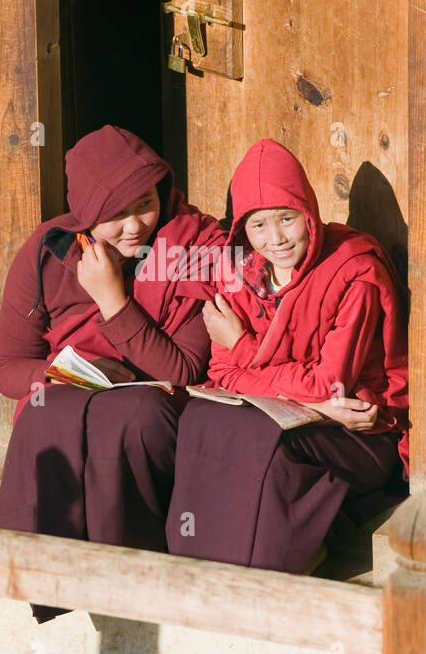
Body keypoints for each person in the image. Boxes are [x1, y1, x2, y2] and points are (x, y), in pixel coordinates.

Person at [0, 124, 226, 621]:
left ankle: (132, 579)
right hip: (76, 387)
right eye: (113, 216)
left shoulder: (193, 247)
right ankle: (54, 581)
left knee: (134, 411)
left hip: (159, 411)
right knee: (45, 409)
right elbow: (7, 366)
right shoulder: (48, 253)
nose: (135, 226)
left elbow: (183, 370)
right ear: (85, 217)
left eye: (144, 202)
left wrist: (112, 300)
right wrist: (52, 376)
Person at [165, 138, 409, 572]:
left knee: (261, 443)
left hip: (360, 432)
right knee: (204, 419)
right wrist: (317, 405)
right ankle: (204, 573)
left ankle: (273, 570)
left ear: (309, 213)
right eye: (258, 226)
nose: (274, 239)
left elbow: (327, 384)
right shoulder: (242, 271)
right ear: (243, 230)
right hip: (321, 416)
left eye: (286, 218)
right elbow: (220, 371)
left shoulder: (354, 271)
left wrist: (244, 348)